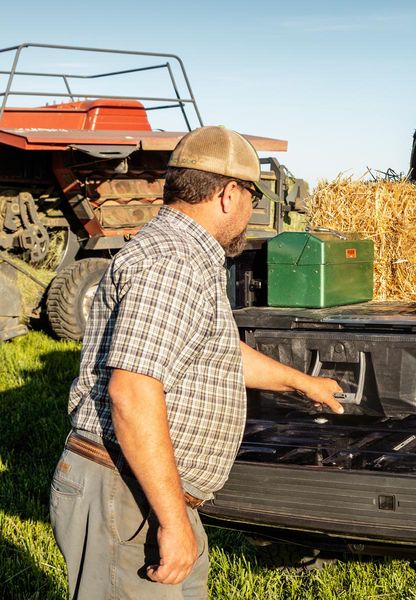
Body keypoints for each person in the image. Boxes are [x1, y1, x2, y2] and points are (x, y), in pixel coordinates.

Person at [50, 126, 344, 599]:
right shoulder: (174, 261)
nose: (251, 211)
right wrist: (171, 522)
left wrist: (301, 383)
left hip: (148, 488)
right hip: (126, 491)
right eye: (252, 197)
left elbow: (213, 350)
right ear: (228, 194)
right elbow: (132, 392)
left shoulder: (184, 253)